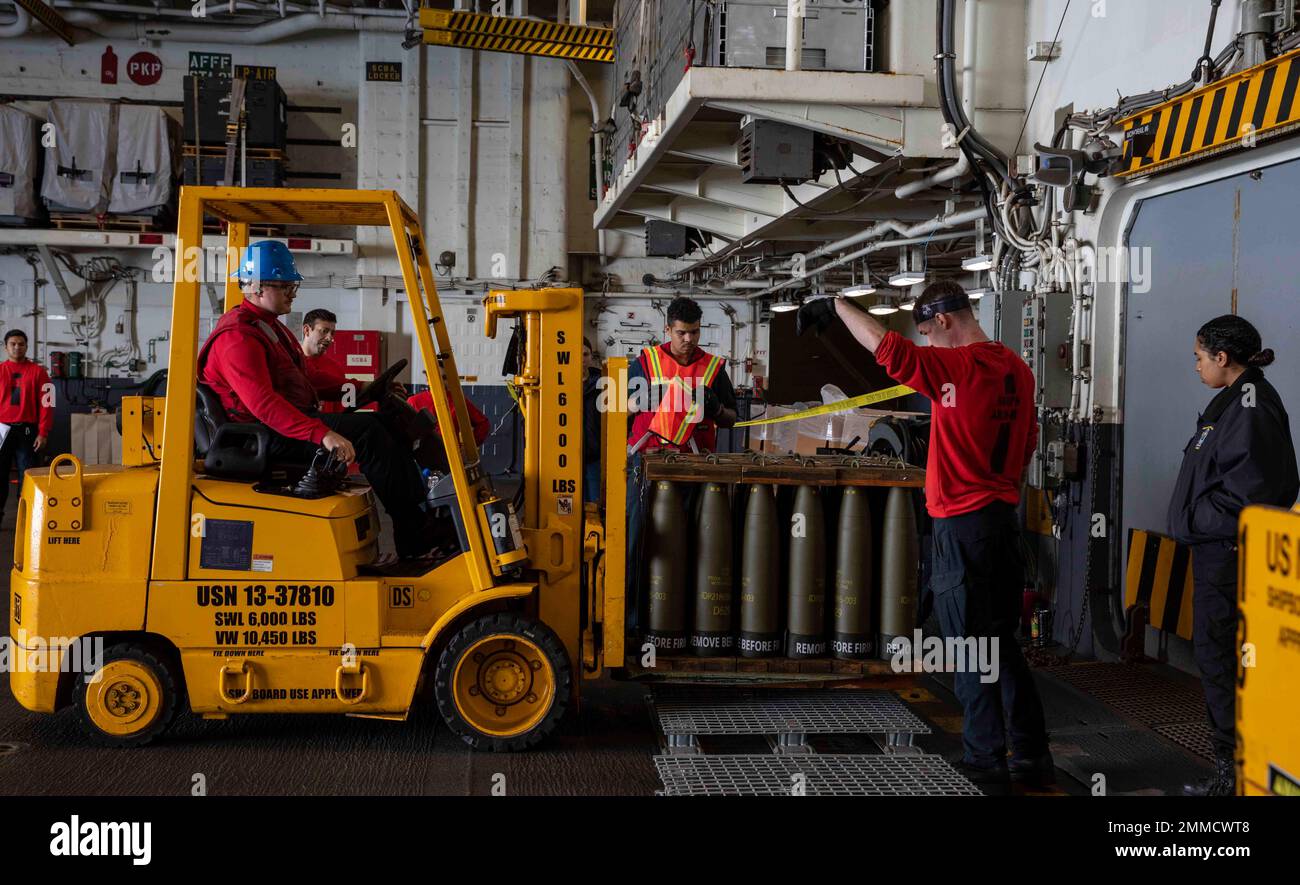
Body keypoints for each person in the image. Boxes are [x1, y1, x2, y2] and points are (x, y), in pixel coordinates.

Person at [798, 279, 1051, 789]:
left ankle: (984, 762)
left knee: (970, 650)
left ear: (943, 322)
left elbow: (885, 346)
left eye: (928, 335)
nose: (927, 346)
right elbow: (1028, 440)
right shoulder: (1017, 369)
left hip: (963, 528)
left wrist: (835, 303)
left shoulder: (955, 365)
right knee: (1002, 646)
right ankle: (1029, 754)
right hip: (1003, 523)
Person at [198, 240, 434, 559]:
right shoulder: (238, 338)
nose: (292, 292)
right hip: (259, 436)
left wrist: (362, 385)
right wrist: (321, 433)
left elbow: (305, 377)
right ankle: (414, 533)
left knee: (380, 421)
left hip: (276, 428)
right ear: (255, 286)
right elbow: (263, 404)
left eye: (291, 284)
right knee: (367, 433)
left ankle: (422, 515)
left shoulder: (269, 329)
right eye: (284, 285)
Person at [1166, 314, 1298, 796]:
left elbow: (1252, 494)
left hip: (1229, 556)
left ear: (1222, 358)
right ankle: (1233, 769)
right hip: (1218, 553)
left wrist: (1195, 519)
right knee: (1217, 657)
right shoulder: (1232, 404)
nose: (1196, 366)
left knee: (1223, 659)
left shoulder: (1250, 406)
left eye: (1200, 357)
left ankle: (1234, 776)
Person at [625, 296, 738, 641]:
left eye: (694, 332)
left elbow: (733, 420)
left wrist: (716, 407)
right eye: (681, 333)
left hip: (697, 470)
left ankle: (689, 622)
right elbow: (623, 405)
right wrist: (656, 396)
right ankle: (633, 621)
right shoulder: (646, 362)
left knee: (700, 545)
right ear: (667, 329)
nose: (689, 340)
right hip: (648, 466)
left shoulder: (715, 368)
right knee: (639, 542)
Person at [0, 329, 53, 520]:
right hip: (2, 429)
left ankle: (27, 518)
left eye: (21, 344)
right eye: (13, 344)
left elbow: (47, 405)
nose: (17, 347)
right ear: (6, 347)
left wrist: (43, 432)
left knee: (28, 475)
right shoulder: (0, 370)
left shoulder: (39, 372)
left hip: (27, 430)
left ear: (26, 346)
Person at [299, 308, 349, 413]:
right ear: (307, 330)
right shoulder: (290, 364)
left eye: (332, 333)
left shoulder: (336, 369)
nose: (329, 338)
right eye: (324, 331)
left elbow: (344, 411)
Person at [582, 337, 602, 505]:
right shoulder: (559, 384)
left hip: (595, 454)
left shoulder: (603, 383)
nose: (582, 359)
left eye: (585, 354)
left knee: (595, 502)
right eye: (577, 354)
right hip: (565, 456)